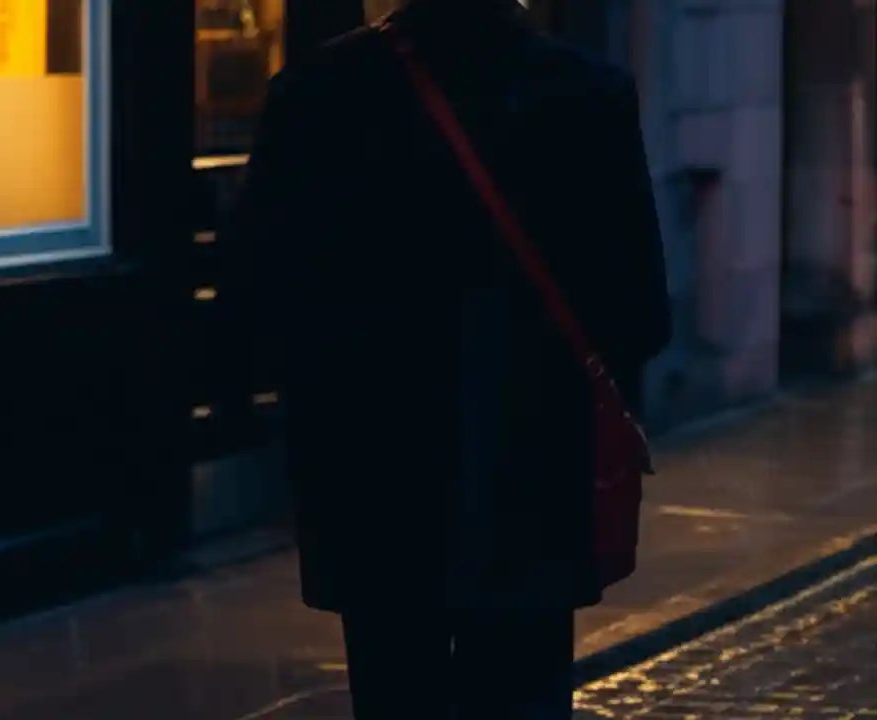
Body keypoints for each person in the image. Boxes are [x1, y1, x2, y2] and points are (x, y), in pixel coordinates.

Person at [224, 0, 673, 717]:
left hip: (373, 469)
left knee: (395, 683)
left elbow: (254, 296)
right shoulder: (589, 94)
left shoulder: (320, 92)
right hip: (533, 467)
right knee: (523, 681)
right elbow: (641, 312)